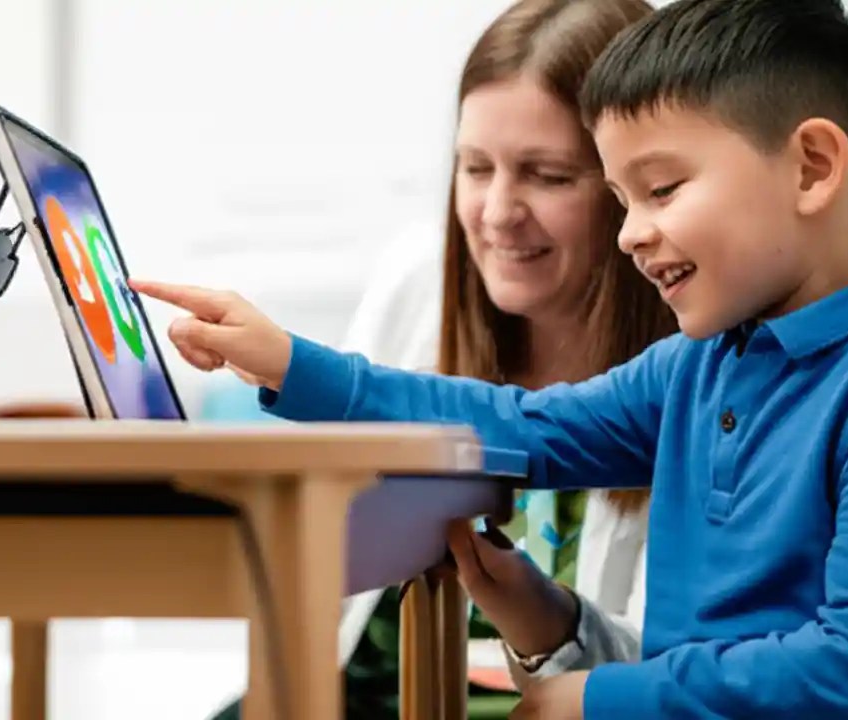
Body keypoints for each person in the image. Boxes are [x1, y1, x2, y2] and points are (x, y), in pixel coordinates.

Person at [134, 0, 848, 717]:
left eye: (662, 189)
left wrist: (603, 697)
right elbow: (522, 425)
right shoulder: (698, 365)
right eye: (623, 197)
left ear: (813, 167)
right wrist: (293, 364)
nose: (631, 233)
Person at [200, 1, 675, 718]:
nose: (497, 211)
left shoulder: (691, 374)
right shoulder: (418, 278)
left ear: (628, 188)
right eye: (476, 168)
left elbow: (663, 681)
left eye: (547, 176)